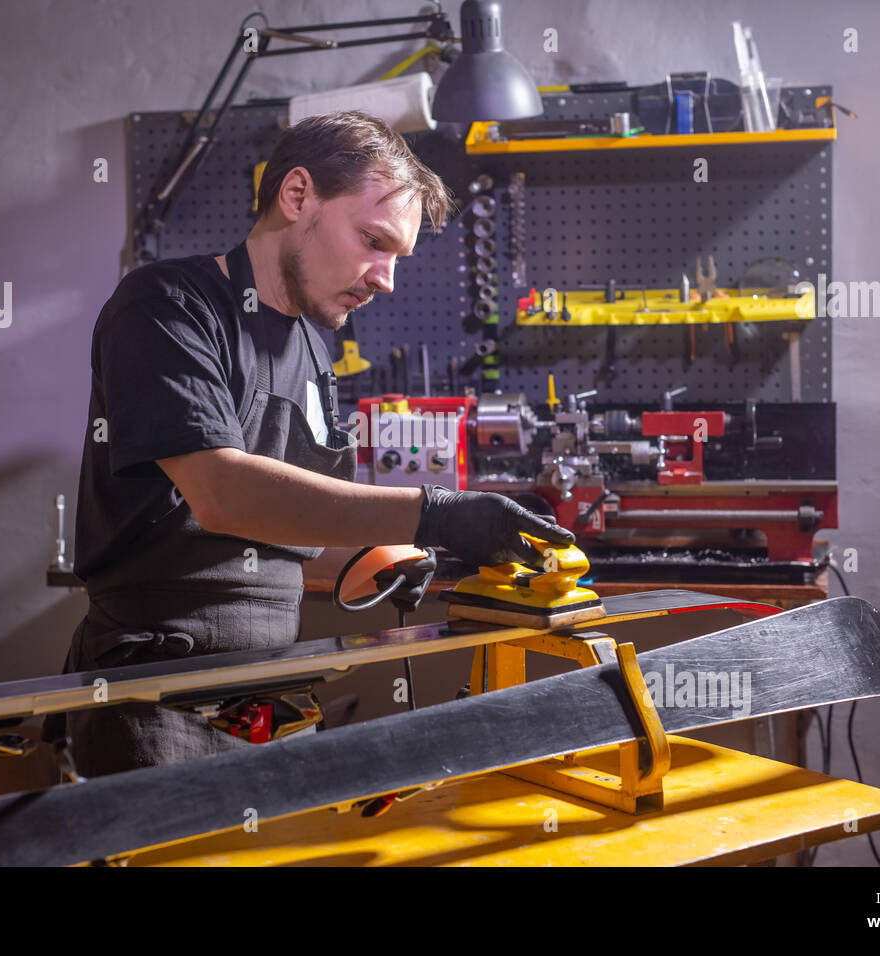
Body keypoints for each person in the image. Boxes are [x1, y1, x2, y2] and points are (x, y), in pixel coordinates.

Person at [42, 110, 572, 777]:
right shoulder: (168, 306)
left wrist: (399, 554)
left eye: (397, 258)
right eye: (374, 241)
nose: (386, 278)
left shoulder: (315, 354)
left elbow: (294, 530)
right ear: (297, 197)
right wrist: (434, 511)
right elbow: (222, 494)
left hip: (270, 689)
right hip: (155, 688)